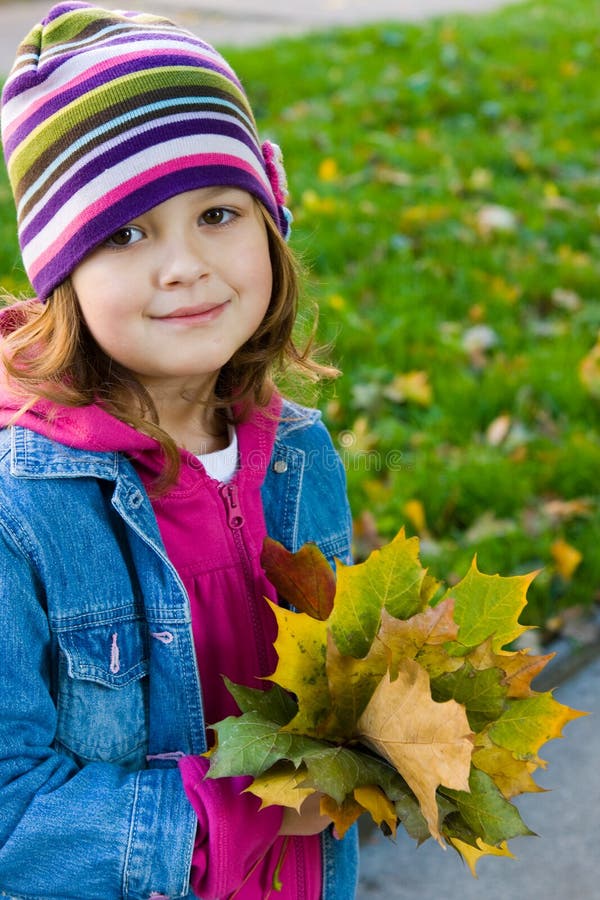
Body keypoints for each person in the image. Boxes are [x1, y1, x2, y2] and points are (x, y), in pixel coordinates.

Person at [0, 3, 358, 898]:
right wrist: (255, 810)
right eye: (125, 233)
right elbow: (12, 817)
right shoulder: (22, 514)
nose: (184, 266)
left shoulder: (300, 457)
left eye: (217, 212)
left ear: (270, 218)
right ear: (61, 277)